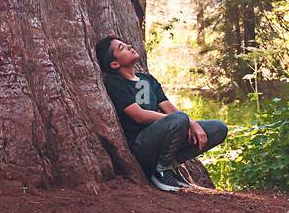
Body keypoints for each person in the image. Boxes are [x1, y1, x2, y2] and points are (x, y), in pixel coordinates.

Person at [94, 35, 228, 192]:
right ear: (115, 64)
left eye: (126, 43)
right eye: (121, 48)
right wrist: (180, 121)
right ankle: (161, 171)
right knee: (179, 119)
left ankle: (170, 164)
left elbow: (169, 107)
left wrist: (192, 124)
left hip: (166, 136)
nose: (129, 46)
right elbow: (139, 115)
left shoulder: (147, 80)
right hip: (142, 145)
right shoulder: (115, 82)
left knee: (218, 128)